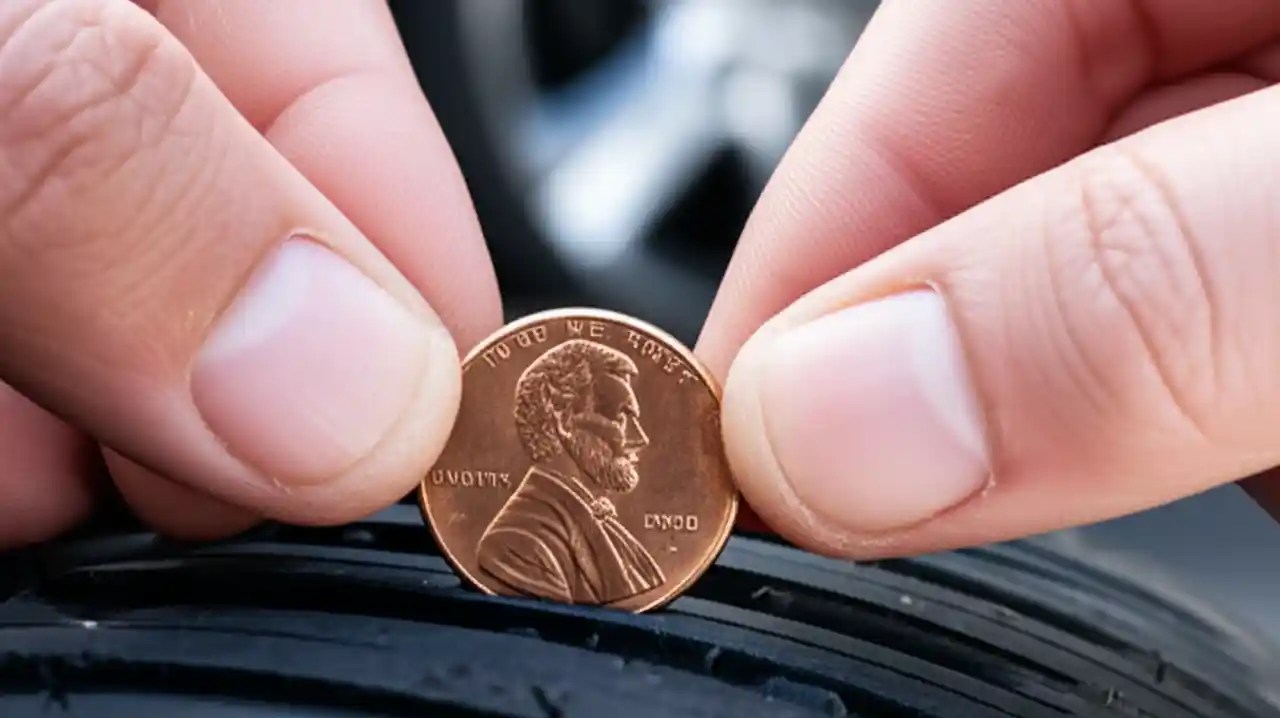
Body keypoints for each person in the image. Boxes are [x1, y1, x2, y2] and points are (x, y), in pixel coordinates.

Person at [0, 0, 1277, 573]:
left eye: (622, 414)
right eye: (606, 415)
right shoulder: (535, 536)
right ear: (552, 430)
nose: (627, 433)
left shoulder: (575, 528)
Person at [476, 339, 663, 604]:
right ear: (563, 419)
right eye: (620, 418)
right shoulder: (514, 544)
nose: (640, 438)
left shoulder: (591, 514)